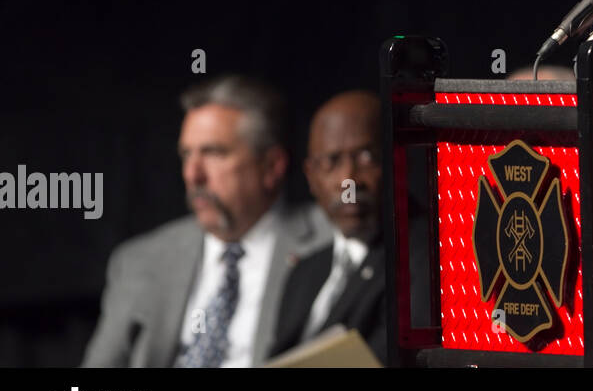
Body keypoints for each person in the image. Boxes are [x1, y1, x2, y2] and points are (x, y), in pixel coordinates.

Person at [82, 75, 331, 367]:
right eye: (187, 155)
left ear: (272, 166)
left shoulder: (331, 242)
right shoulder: (141, 261)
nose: (193, 174)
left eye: (214, 153)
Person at [271, 91, 387, 363]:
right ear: (310, 176)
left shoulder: (421, 267)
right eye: (331, 162)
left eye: (367, 157)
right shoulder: (304, 272)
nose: (348, 180)